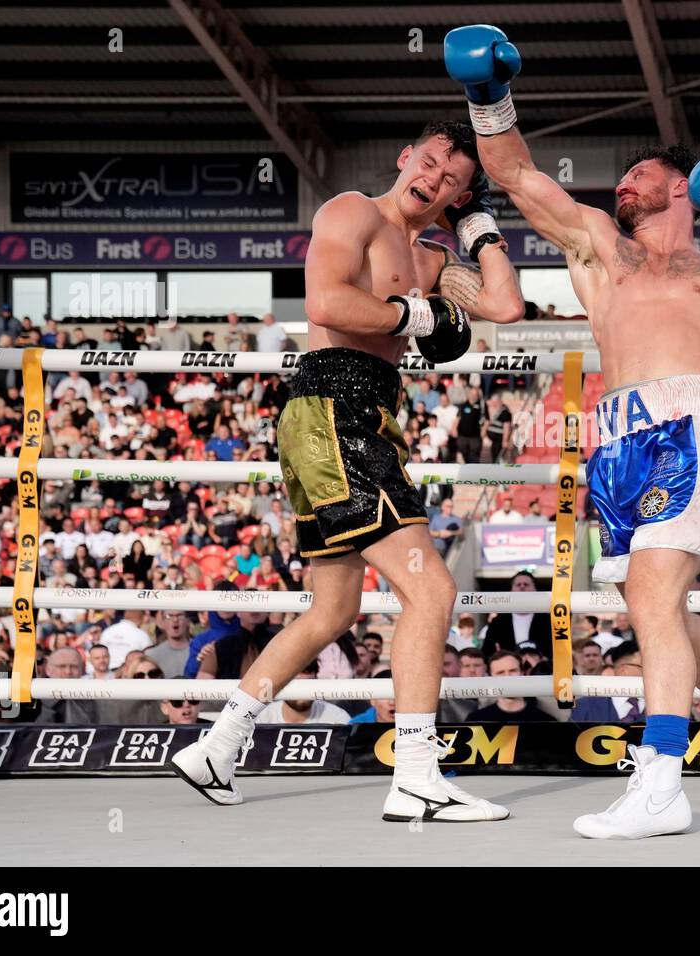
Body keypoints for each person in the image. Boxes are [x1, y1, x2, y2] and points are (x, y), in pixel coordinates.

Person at [447, 23, 700, 840]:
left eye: (641, 177)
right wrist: (488, 96)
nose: (624, 187)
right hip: (616, 446)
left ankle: (662, 781)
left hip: (687, 432)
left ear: (684, 190)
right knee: (661, 606)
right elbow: (518, 174)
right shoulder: (601, 251)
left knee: (650, 599)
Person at [172, 118, 524, 824]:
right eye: (429, 164)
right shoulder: (352, 211)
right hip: (333, 407)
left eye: (453, 180)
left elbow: (506, 305)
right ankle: (418, 773)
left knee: (334, 609)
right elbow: (327, 303)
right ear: (405, 158)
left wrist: (480, 224)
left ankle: (219, 741)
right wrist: (420, 318)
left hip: (361, 418)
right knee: (433, 589)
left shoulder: (429, 257)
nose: (434, 180)